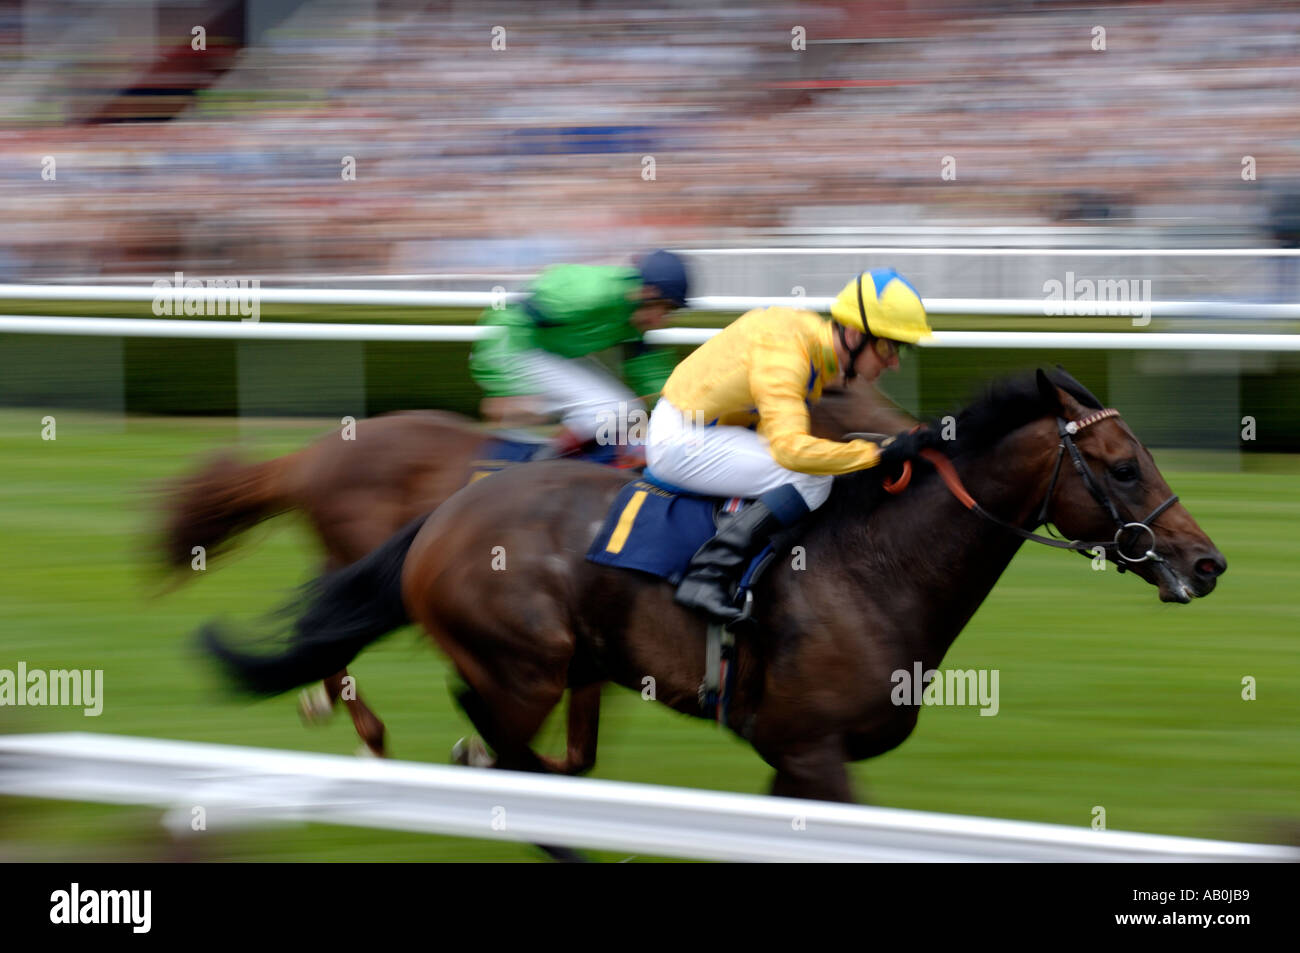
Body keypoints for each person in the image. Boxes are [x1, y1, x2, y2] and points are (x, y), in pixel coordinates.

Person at [645, 268, 942, 623]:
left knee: (819, 468)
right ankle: (707, 574)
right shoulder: (789, 355)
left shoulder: (812, 344)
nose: (893, 362)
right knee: (810, 479)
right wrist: (876, 454)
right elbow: (790, 451)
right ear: (852, 333)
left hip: (705, 427)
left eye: (899, 350)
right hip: (681, 440)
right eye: (888, 346)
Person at [470, 250, 689, 461]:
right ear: (647, 293)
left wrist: (689, 414)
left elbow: (653, 377)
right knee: (609, 410)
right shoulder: (591, 293)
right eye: (665, 309)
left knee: (630, 414)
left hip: (549, 352)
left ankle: (559, 461)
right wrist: (505, 386)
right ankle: (541, 467)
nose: (663, 321)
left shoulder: (632, 318)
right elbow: (506, 319)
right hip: (508, 351)